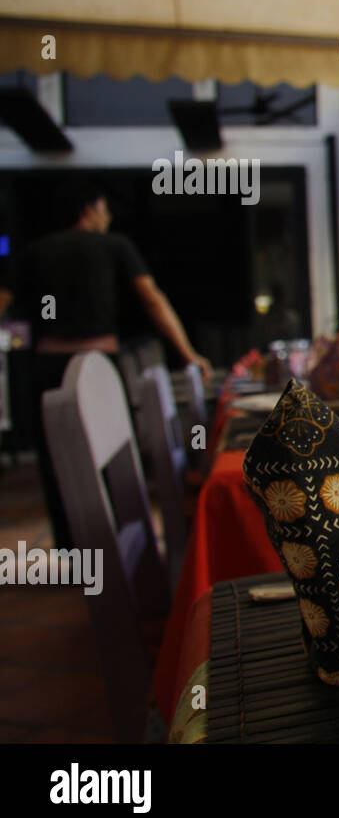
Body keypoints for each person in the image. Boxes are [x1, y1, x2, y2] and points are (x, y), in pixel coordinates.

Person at [0, 184, 212, 548]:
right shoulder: (114, 246)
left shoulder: (34, 251)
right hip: (99, 365)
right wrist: (187, 353)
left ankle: (73, 548)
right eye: (104, 209)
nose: (108, 217)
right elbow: (152, 300)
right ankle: (116, 541)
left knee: (57, 460)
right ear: (89, 209)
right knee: (116, 454)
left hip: (49, 368)